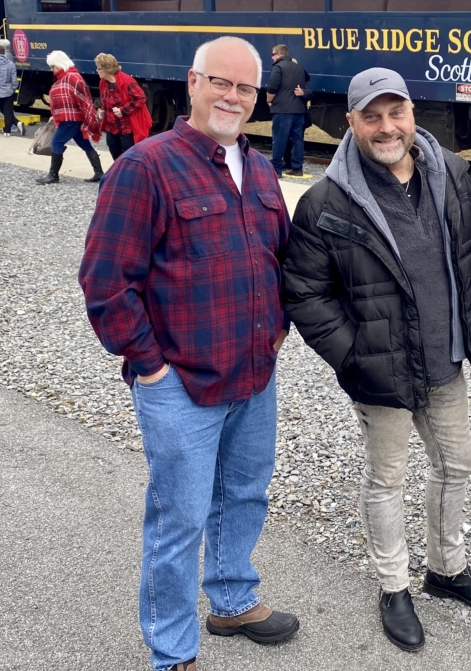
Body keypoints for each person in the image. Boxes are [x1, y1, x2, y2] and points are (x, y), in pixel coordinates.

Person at [80, 37, 298, 671]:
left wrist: (278, 326)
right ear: (194, 83)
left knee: (245, 493)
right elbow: (105, 279)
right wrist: (148, 364)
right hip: (180, 384)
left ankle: (232, 600)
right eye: (221, 83)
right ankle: (172, 652)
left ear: (258, 97)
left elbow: (278, 257)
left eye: (246, 89)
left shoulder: (258, 168)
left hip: (254, 374)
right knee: (179, 520)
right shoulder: (145, 167)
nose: (233, 96)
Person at [283, 67, 471, 653]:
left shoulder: (451, 172)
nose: (387, 128)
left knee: (456, 463)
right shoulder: (326, 201)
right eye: (372, 116)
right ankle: (394, 585)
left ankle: (446, 568)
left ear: (413, 115)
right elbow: (305, 293)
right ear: (351, 122)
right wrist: (353, 356)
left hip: (446, 358)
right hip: (380, 366)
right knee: (387, 479)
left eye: (396, 113)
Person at [37, 51, 104, 184]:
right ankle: (99, 172)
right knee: (85, 144)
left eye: (53, 66)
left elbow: (83, 99)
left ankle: (53, 175)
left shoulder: (72, 77)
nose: (52, 70)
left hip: (71, 120)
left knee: (56, 143)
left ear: (60, 65)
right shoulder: (68, 77)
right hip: (72, 118)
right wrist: (54, 115)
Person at [265, 44, 312, 178]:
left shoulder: (278, 67)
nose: (272, 57)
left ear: (279, 54)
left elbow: (272, 87)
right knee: (297, 140)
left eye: (273, 54)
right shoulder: (299, 68)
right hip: (299, 110)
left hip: (283, 110)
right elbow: (306, 83)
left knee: (279, 139)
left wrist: (269, 100)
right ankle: (297, 168)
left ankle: (276, 169)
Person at [95, 52, 153, 159]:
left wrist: (123, 111)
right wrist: (102, 111)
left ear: (107, 69)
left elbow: (140, 98)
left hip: (126, 128)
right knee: (115, 154)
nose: (97, 71)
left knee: (128, 157)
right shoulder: (103, 82)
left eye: (99, 69)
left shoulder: (126, 81)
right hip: (111, 127)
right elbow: (106, 101)